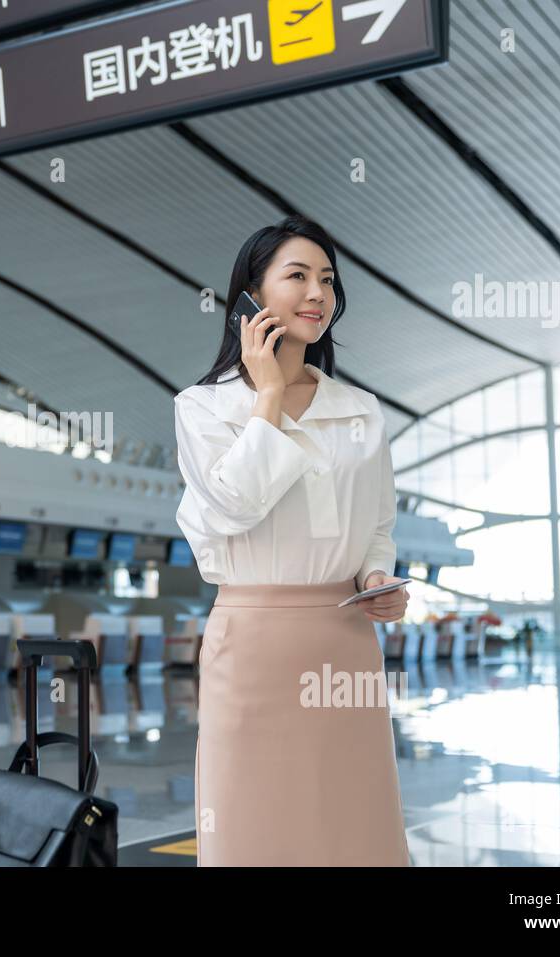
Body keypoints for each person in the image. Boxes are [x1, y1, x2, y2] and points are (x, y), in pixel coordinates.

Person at [175, 215, 410, 866]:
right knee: (253, 826)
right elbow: (233, 505)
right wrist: (269, 394)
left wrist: (374, 577)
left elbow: (378, 524)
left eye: (328, 280)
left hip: (344, 642)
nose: (318, 294)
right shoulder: (201, 408)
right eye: (298, 276)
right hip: (251, 644)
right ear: (251, 293)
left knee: (354, 824)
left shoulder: (362, 410)